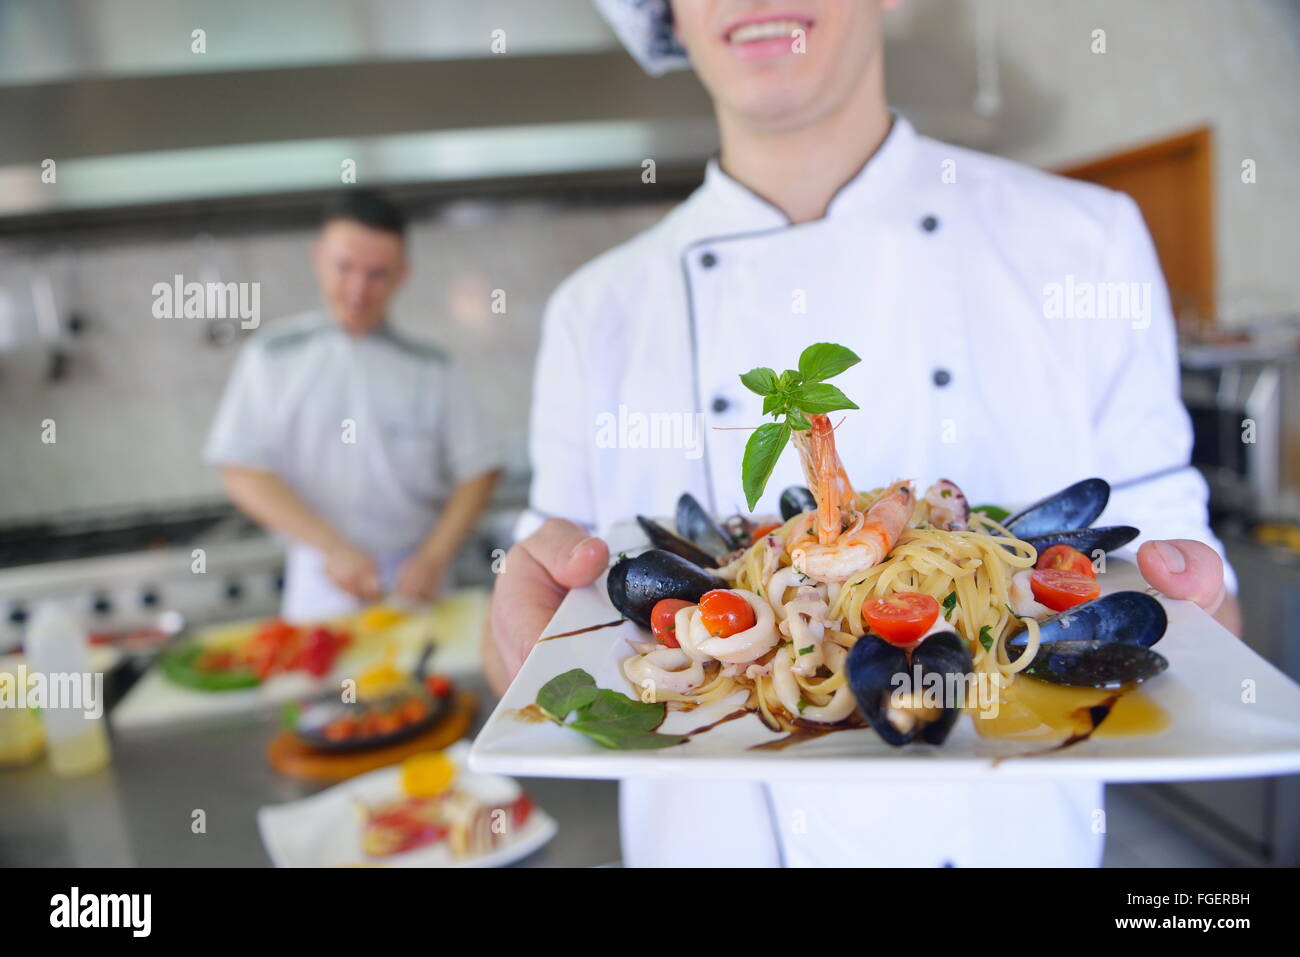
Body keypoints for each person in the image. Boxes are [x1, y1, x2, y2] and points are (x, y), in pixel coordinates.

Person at [486, 0, 1241, 866]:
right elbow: (531, 630)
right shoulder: (597, 312)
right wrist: (517, 625)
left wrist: (1203, 607)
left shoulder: (1088, 243)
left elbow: (1207, 617)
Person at [205, 190, 502, 622]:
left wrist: (434, 558)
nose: (358, 290)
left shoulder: (433, 366)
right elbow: (240, 469)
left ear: (402, 274)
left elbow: (480, 471)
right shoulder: (271, 355)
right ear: (318, 258)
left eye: (378, 274)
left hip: (419, 580)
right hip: (320, 579)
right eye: (344, 268)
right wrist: (331, 546)